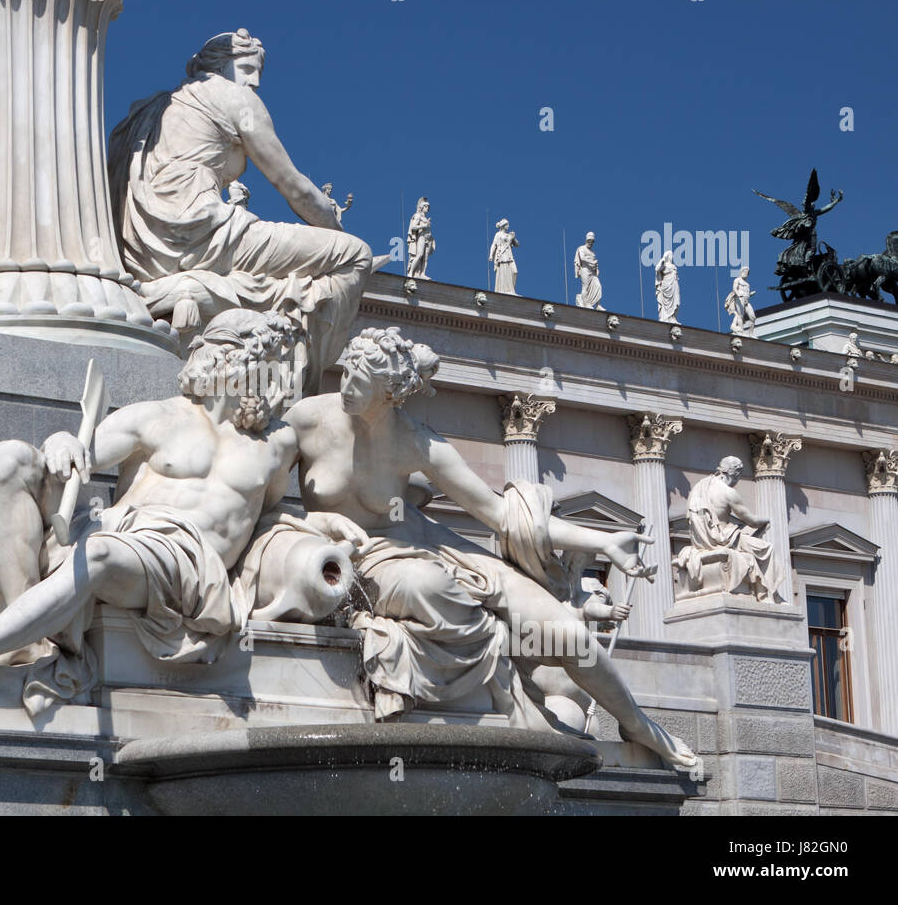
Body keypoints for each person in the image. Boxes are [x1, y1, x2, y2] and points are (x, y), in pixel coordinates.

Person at [282, 327, 698, 769]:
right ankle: (512, 698)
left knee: (571, 635)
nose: (344, 386)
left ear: (388, 392)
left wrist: (603, 540)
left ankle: (637, 724)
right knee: (433, 587)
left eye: (358, 381)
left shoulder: (415, 441)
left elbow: (500, 515)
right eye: (345, 373)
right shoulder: (308, 419)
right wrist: (316, 523)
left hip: (439, 546)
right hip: (370, 559)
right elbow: (261, 502)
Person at [0, 310, 328, 702]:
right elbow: (80, 454)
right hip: (120, 530)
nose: (276, 381)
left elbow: (267, 520)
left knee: (100, 553)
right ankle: (31, 648)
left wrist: (320, 528)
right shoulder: (156, 416)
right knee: (8, 460)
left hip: (186, 563)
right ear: (225, 360)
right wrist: (61, 441)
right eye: (267, 363)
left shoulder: (277, 443)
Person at [107, 29, 375, 395]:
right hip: (206, 233)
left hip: (142, 254)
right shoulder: (234, 98)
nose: (255, 82)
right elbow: (292, 185)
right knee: (354, 256)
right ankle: (300, 385)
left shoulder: (146, 109)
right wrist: (333, 224)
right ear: (220, 64)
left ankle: (199, 290)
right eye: (247, 68)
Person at [676, 457, 780, 601]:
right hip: (723, 539)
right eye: (739, 475)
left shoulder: (700, 487)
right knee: (766, 549)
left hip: (702, 541)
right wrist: (767, 520)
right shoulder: (728, 492)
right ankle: (769, 595)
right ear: (735, 473)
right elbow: (752, 521)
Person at [406, 197, 434, 281]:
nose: (427, 208)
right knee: (419, 255)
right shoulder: (417, 216)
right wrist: (424, 226)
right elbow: (413, 227)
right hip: (421, 237)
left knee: (425, 258)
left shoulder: (426, 218)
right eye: (426, 206)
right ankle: (411, 273)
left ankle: (422, 273)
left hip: (428, 239)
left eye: (428, 207)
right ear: (421, 207)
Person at [573, 231, 603, 310]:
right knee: (585, 287)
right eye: (590, 241)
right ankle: (586, 303)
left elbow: (594, 263)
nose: (591, 243)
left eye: (592, 241)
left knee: (598, 286)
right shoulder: (581, 248)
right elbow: (582, 258)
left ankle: (598, 304)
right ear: (587, 240)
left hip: (592, 272)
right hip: (585, 270)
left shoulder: (593, 253)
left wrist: (596, 268)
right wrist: (592, 262)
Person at [724, 266, 757, 334]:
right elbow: (734, 288)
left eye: (747, 273)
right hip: (739, 299)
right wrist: (739, 295)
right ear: (741, 272)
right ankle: (741, 332)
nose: (746, 274)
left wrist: (750, 294)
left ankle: (750, 334)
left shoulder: (747, 284)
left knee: (753, 317)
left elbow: (746, 294)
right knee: (740, 315)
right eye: (745, 272)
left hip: (746, 301)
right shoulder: (737, 280)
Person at [490, 218, 518, 294]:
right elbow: (493, 245)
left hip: (509, 255)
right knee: (503, 272)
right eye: (507, 224)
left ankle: (511, 290)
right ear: (503, 226)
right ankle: (504, 291)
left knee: (514, 272)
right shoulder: (498, 235)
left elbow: (517, 245)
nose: (508, 226)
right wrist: (491, 255)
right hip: (502, 255)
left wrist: (513, 237)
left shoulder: (509, 235)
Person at [655, 251, 680, 323]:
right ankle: (666, 317)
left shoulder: (673, 265)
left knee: (676, 302)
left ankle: (672, 318)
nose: (672, 257)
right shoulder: (664, 264)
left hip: (674, 285)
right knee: (667, 302)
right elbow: (657, 269)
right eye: (670, 255)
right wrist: (662, 259)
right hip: (666, 285)